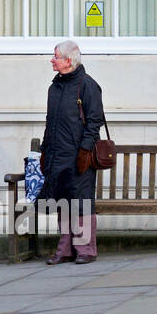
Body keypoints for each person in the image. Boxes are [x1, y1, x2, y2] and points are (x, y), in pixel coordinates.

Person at [39, 40, 104, 265]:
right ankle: (65, 249)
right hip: (58, 155)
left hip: (79, 156)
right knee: (63, 202)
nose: (52, 60)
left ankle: (86, 249)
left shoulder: (87, 85)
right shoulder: (54, 87)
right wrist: (45, 151)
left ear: (68, 60)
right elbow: (50, 122)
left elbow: (95, 121)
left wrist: (85, 150)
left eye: (55, 56)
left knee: (82, 202)